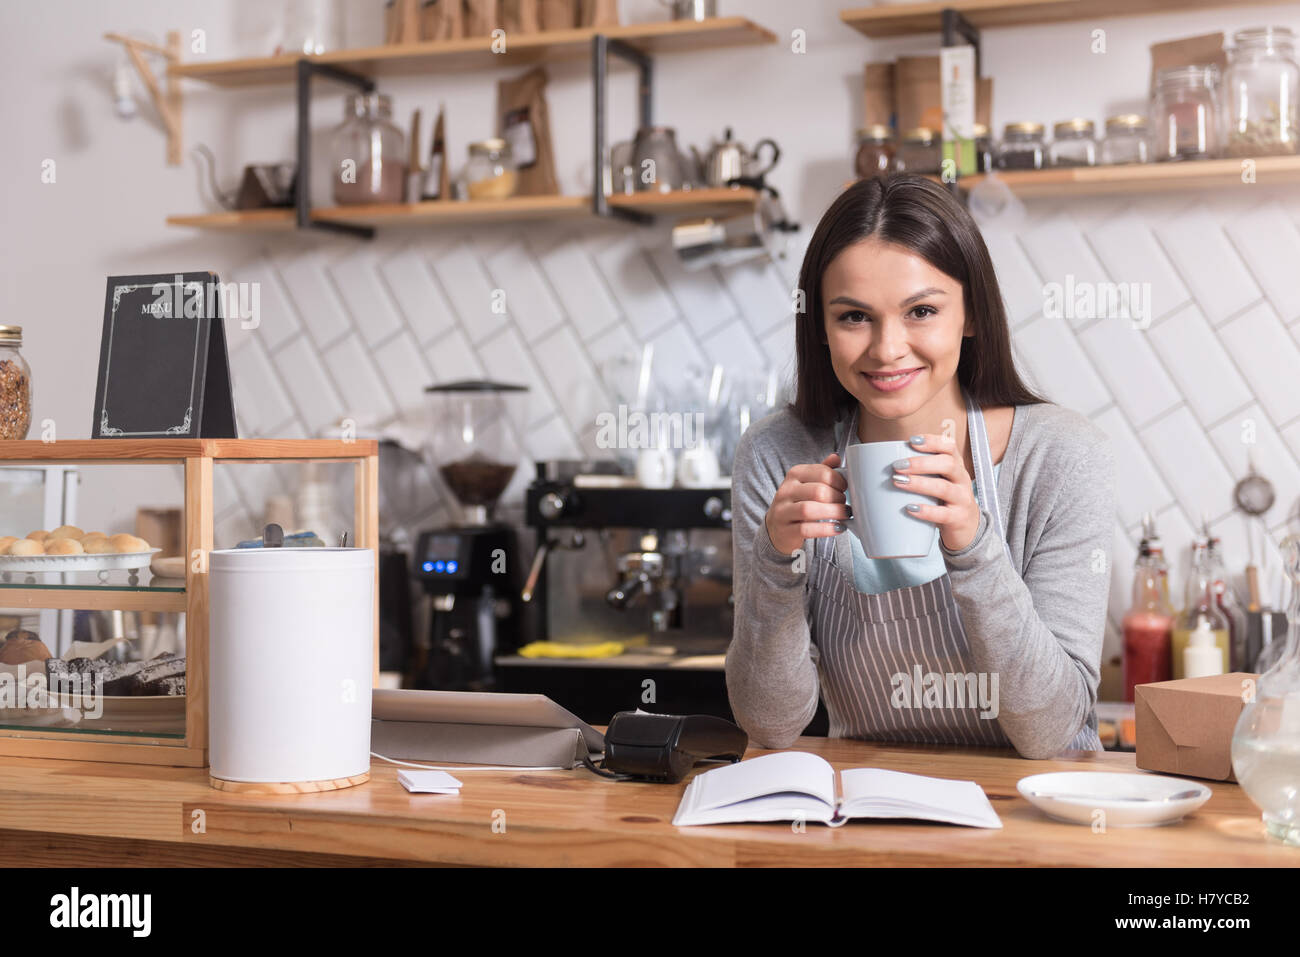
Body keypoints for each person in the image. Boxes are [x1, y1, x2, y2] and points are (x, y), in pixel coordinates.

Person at [726, 173, 1117, 759]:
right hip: (866, 804)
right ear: (821, 327)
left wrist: (973, 544)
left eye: (922, 311)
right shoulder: (775, 454)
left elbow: (1052, 731)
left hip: (1034, 814)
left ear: (972, 315)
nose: (886, 348)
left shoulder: (1061, 456)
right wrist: (774, 564)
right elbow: (771, 724)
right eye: (854, 317)